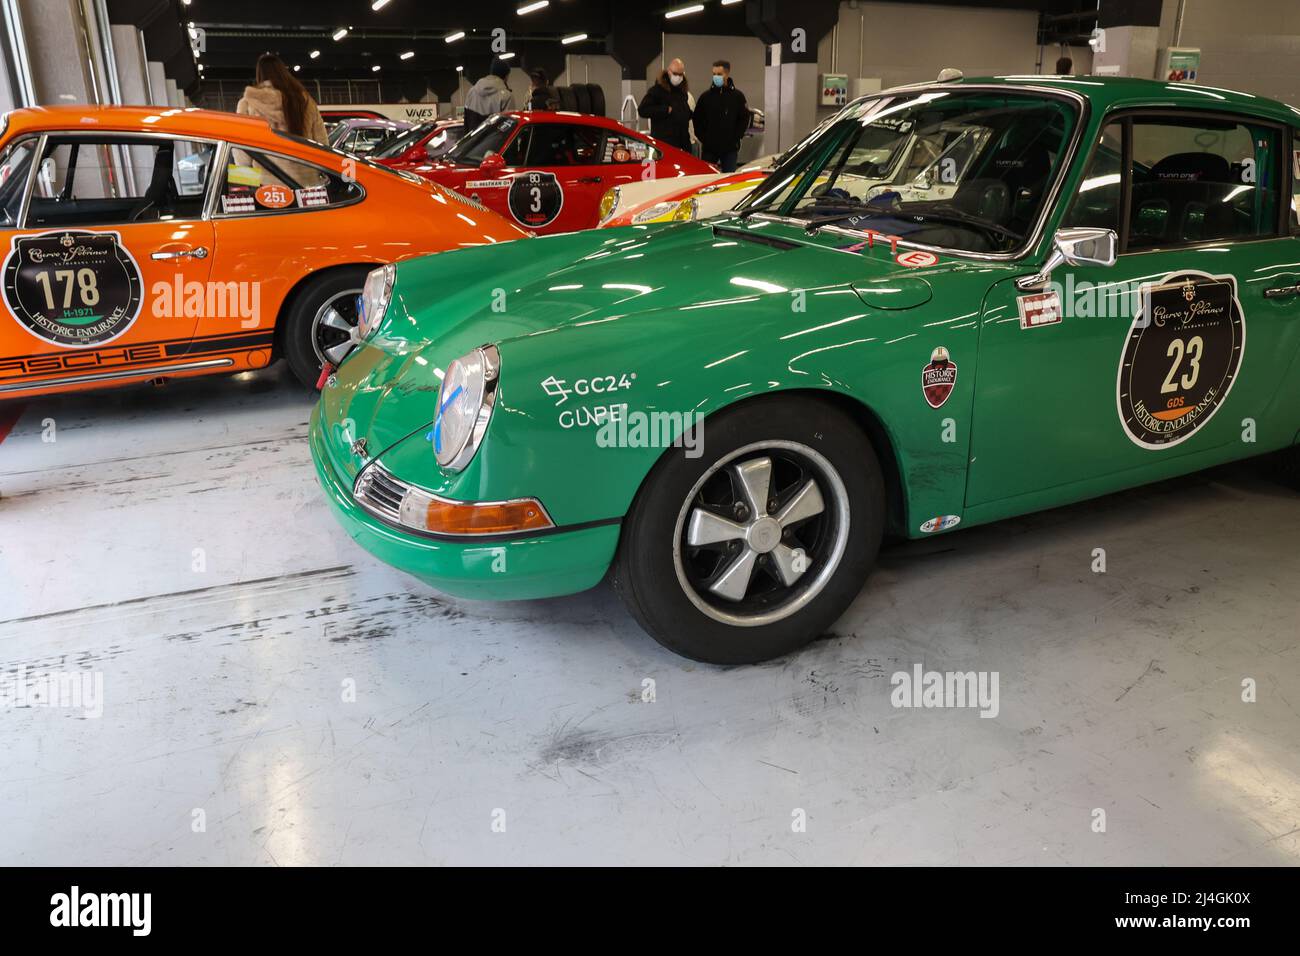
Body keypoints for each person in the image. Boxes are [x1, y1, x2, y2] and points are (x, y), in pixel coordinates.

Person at [236, 53, 328, 145]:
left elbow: (242, 147)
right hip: (303, 158)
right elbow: (321, 140)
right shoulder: (303, 100)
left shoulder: (247, 103)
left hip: (263, 159)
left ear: (259, 74)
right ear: (282, 72)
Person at [692, 59, 749, 172]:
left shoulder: (737, 97)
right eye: (714, 74)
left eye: (719, 74)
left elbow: (743, 119)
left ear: (727, 74)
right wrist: (704, 138)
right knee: (707, 178)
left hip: (730, 149)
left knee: (728, 179)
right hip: (709, 149)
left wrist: (736, 138)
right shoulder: (705, 97)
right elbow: (697, 119)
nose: (716, 77)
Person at [638, 57, 691, 152]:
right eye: (675, 74)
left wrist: (689, 114)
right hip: (663, 144)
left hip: (683, 144)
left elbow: (683, 111)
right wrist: (665, 110)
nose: (678, 77)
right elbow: (642, 110)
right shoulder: (657, 90)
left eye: (680, 74)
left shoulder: (682, 92)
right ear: (668, 72)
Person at [463, 59, 514, 133]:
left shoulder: (471, 91)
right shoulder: (506, 96)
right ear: (506, 76)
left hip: (473, 142)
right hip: (495, 143)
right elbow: (508, 126)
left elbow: (466, 124)